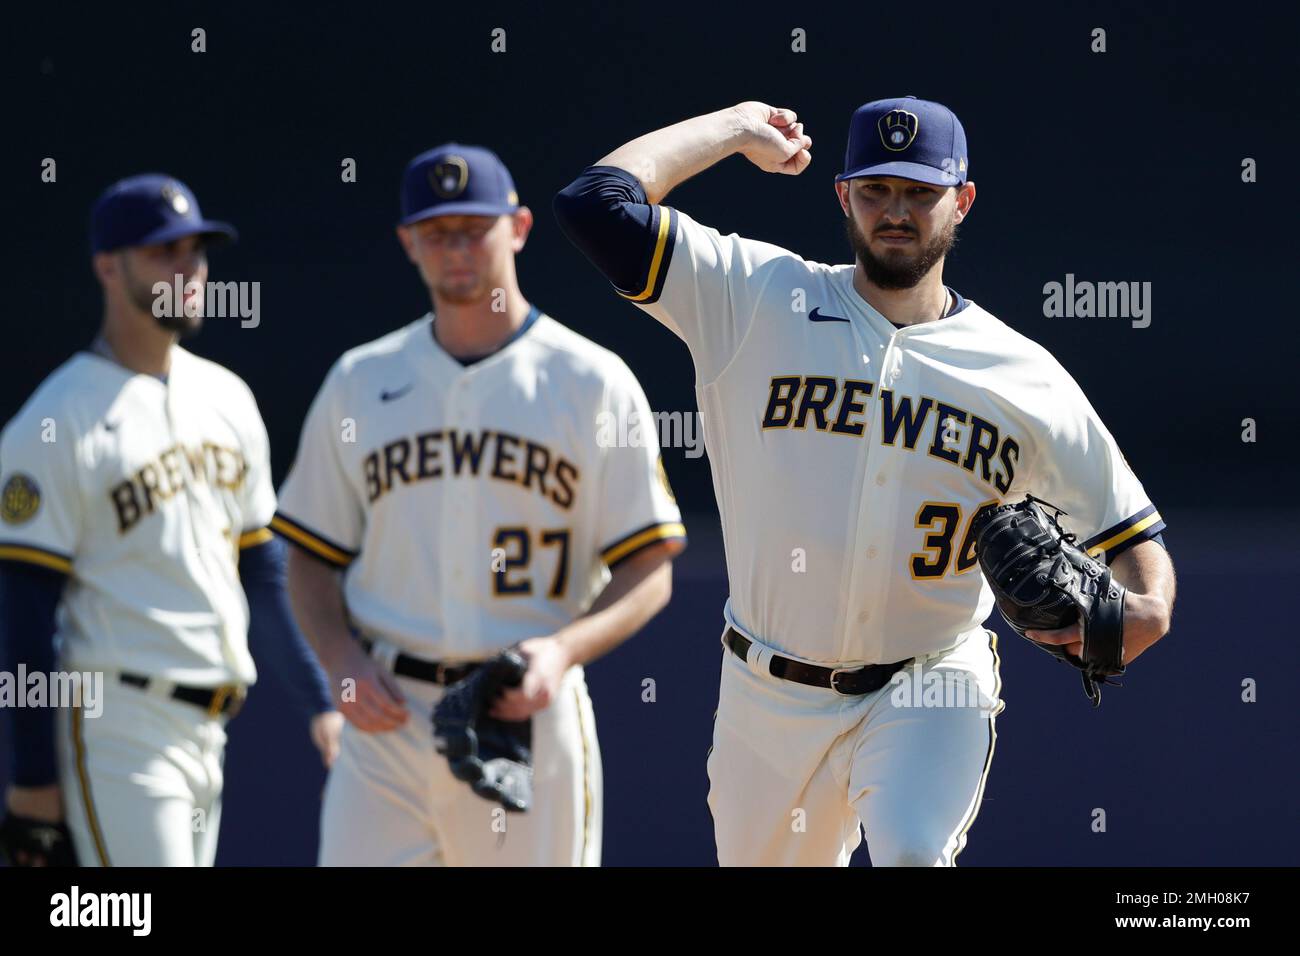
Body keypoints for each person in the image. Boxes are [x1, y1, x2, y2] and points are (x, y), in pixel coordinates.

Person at [553, 97, 1177, 866]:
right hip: (767, 690)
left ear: (962, 201)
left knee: (914, 854)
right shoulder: (754, 297)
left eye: (920, 192)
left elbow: (1133, 533)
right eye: (877, 189)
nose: (897, 211)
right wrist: (736, 129)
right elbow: (594, 204)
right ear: (843, 194)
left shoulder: (1024, 376)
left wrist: (1144, 613)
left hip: (929, 682)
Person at [276, 143, 686, 866]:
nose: (456, 247)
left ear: (519, 227)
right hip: (387, 720)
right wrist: (339, 658)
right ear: (408, 242)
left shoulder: (591, 381)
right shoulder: (360, 380)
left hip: (523, 710)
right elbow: (308, 558)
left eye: (474, 226)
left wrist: (562, 651)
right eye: (436, 232)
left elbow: (651, 568)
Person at [0, 174, 340, 867]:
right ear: (107, 264)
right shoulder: (55, 419)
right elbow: (26, 611)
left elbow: (262, 574)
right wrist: (33, 779)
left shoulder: (227, 398)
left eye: (196, 251)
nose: (189, 270)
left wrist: (321, 703)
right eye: (163, 253)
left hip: (209, 729)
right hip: (116, 722)